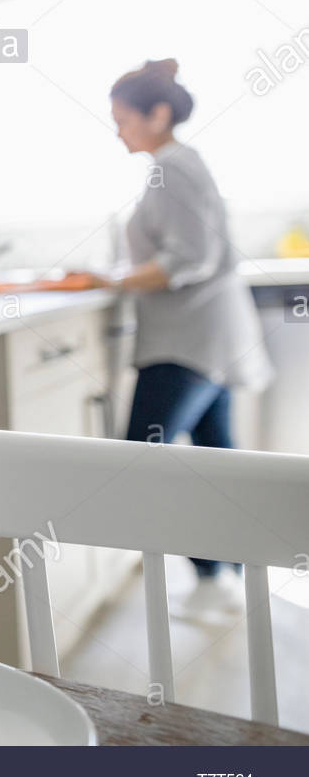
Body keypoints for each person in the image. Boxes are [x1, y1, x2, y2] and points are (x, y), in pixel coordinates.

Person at [86, 58, 272, 622]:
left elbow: (192, 257)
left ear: (158, 114)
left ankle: (218, 578)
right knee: (215, 462)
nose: (117, 130)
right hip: (203, 337)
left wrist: (113, 278)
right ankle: (225, 580)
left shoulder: (175, 167)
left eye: (123, 118)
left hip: (188, 342)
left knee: (145, 462)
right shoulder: (173, 166)